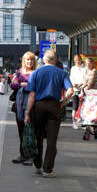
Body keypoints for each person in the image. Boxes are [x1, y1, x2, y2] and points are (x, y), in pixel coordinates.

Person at [22, 48, 73, 178]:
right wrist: (63, 102)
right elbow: (71, 90)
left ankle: (37, 164)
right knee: (52, 140)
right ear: (56, 60)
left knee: (38, 136)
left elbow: (32, 95)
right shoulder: (61, 73)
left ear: (44, 60)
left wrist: (27, 113)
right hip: (54, 106)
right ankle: (47, 169)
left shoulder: (36, 73)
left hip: (38, 106)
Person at [9, 52, 37, 165]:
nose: (29, 62)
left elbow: (35, 86)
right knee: (21, 130)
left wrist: (22, 83)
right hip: (19, 104)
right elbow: (12, 85)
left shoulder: (36, 73)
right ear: (24, 61)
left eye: (31, 60)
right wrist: (22, 84)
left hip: (31, 104)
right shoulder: (20, 71)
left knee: (30, 131)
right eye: (27, 60)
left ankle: (31, 156)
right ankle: (23, 154)